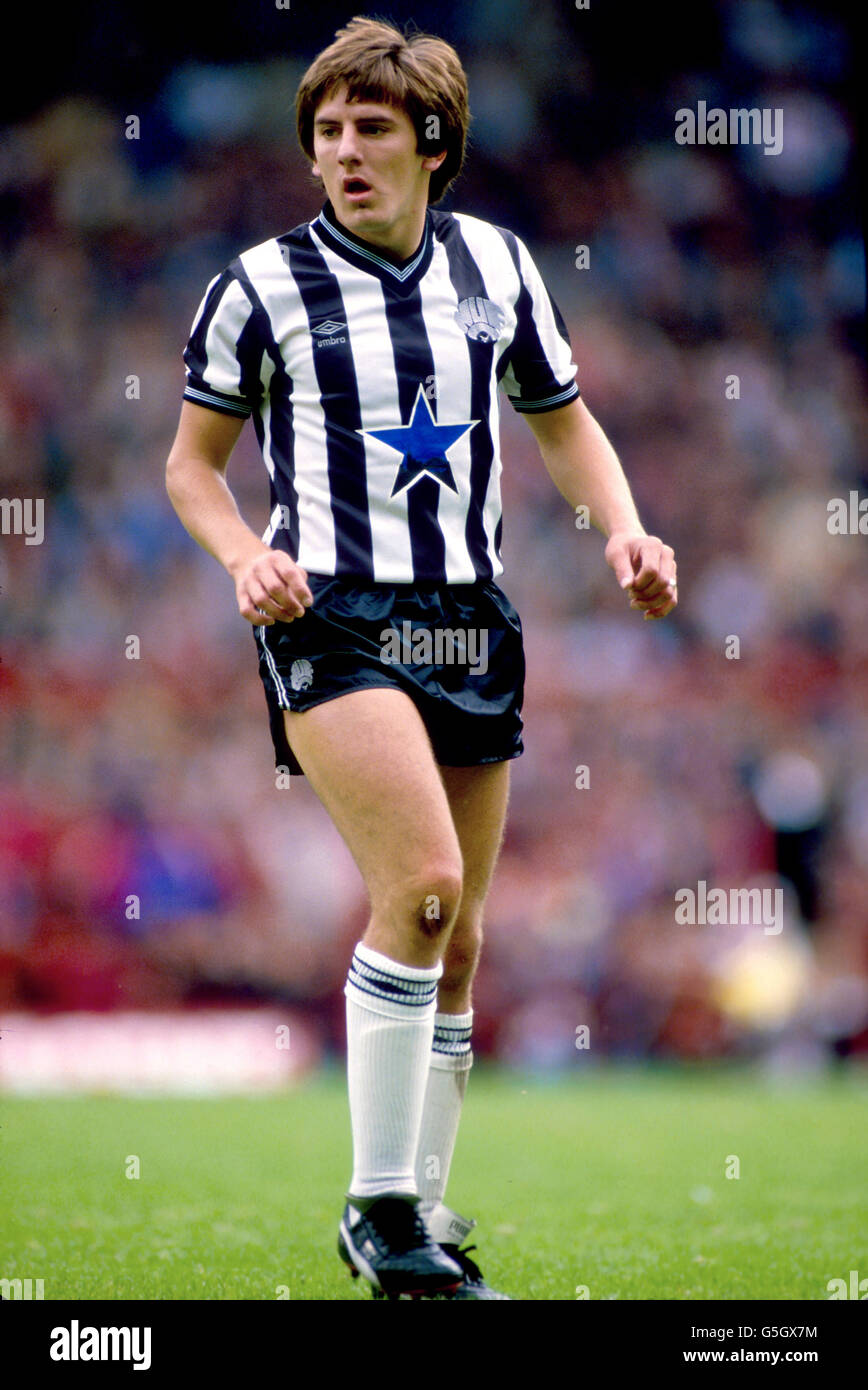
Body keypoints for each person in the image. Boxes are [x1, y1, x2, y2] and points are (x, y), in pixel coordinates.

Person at [165, 15, 677, 1301]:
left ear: (431, 144)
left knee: (459, 941)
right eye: (327, 131)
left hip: (470, 619)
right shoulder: (260, 286)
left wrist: (624, 531)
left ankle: (428, 1215)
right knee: (427, 886)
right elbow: (190, 467)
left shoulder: (500, 266)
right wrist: (243, 558)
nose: (343, 151)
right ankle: (380, 1216)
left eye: (371, 129)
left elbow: (565, 426)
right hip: (330, 616)